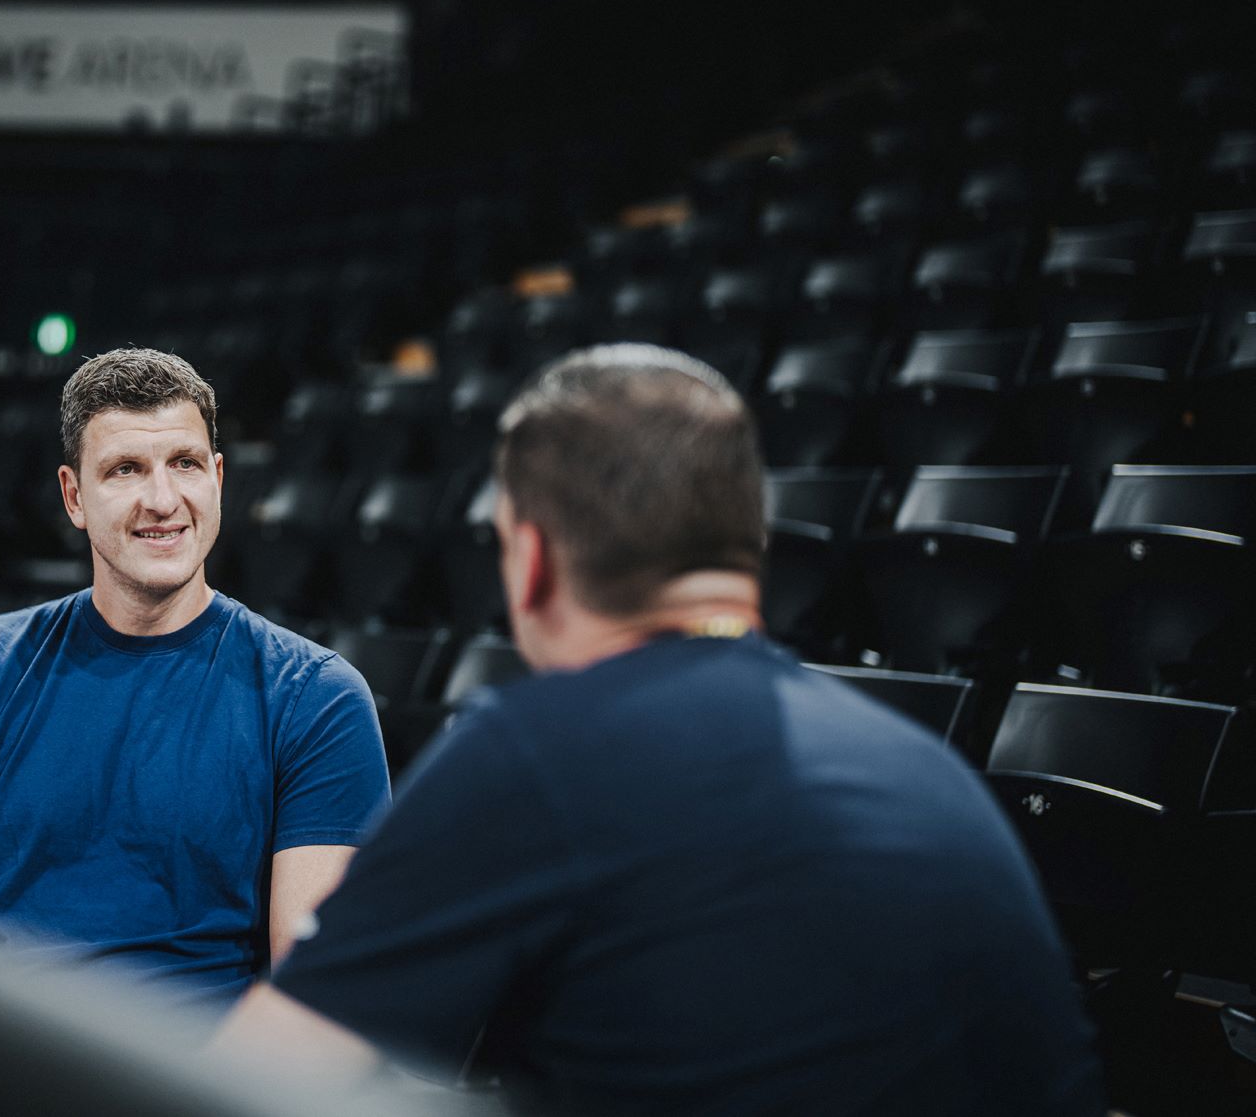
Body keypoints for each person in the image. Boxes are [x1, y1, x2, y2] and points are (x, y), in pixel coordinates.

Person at [213, 344, 1103, 1115]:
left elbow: (255, 1082)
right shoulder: (928, 765)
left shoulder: (539, 751)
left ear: (529, 561)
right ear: (745, 547)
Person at [0, 347, 390, 1009]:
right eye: (126, 469)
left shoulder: (317, 700)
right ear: (74, 496)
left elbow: (315, 1007)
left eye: (185, 464)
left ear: (219, 478)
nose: (163, 499)